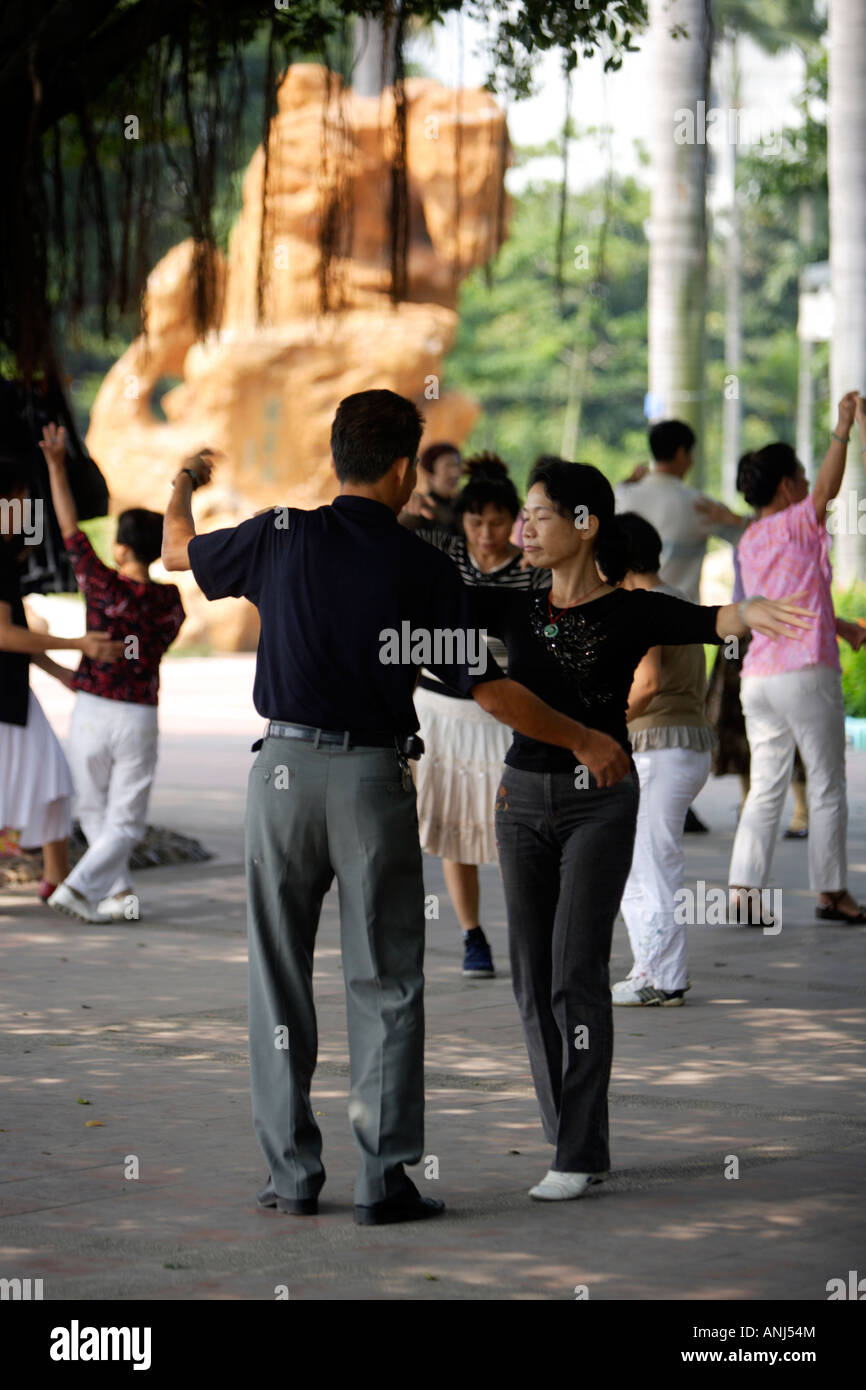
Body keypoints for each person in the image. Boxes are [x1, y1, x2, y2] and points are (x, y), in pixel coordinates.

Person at [161, 389, 630, 1227]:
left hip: (280, 776)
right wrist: (585, 740)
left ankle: (293, 1177)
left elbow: (175, 555)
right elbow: (488, 689)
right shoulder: (420, 565)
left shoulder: (278, 534)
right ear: (405, 469)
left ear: (335, 454)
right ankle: (384, 1181)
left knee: (278, 979)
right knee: (386, 983)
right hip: (374, 780)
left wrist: (182, 485)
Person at [469, 457, 812, 1201]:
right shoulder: (510, 602)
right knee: (530, 980)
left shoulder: (630, 611)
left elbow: (707, 620)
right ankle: (574, 1139)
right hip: (520, 799)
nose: (524, 528)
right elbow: (434, 608)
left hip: (602, 798)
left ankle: (578, 1149)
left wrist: (749, 614)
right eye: (522, 516)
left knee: (576, 972)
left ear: (585, 525)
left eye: (540, 515)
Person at [728, 391, 866, 924]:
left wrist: (846, 627)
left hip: (760, 679)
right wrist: (842, 428)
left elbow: (795, 600)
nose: (811, 485)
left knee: (765, 787)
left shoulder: (750, 540)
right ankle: (832, 893)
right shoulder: (797, 522)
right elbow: (829, 491)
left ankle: (743, 893)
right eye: (803, 478)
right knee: (828, 783)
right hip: (804, 674)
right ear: (787, 487)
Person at [409, 453, 549, 978]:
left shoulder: (533, 570)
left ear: (513, 520)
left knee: (515, 833)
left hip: (506, 714)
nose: (486, 533)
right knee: (453, 828)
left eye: (496, 522)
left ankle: (527, 938)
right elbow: (394, 532)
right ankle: (472, 937)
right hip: (441, 711)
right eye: (475, 522)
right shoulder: (440, 553)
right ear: (460, 521)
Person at [40, 423, 186, 924]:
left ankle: (79, 887)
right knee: (124, 819)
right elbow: (159, 644)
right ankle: (117, 893)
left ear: (121, 549)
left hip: (93, 709)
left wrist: (57, 465)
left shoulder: (100, 584)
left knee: (93, 808)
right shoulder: (172, 602)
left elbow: (68, 529)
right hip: (139, 715)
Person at [0, 452, 121, 900]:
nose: (28, 514)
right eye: (21, 502)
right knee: (48, 780)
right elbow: (5, 635)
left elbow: (16, 637)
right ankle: (59, 880)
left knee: (50, 782)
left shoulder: (8, 557)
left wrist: (58, 671)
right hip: (5, 700)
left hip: (13, 694)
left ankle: (57, 880)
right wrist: (78, 645)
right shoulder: (0, 560)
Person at [616, 420, 746, 833]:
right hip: (684, 620)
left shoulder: (623, 495)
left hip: (625, 616)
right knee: (674, 703)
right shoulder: (695, 503)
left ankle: (652, 797)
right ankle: (670, 800)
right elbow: (751, 539)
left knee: (638, 697)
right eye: (689, 453)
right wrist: (735, 519)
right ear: (681, 454)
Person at [611, 513, 715, 1006]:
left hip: (659, 747)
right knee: (649, 860)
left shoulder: (642, 607)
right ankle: (652, 967)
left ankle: (663, 977)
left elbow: (648, 683)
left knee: (650, 863)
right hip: (688, 745)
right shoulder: (678, 599)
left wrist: (600, 725)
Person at [399, 441, 463, 532]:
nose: (456, 473)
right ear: (430, 472)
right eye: (448, 466)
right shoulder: (419, 510)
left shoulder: (463, 506)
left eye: (458, 465)